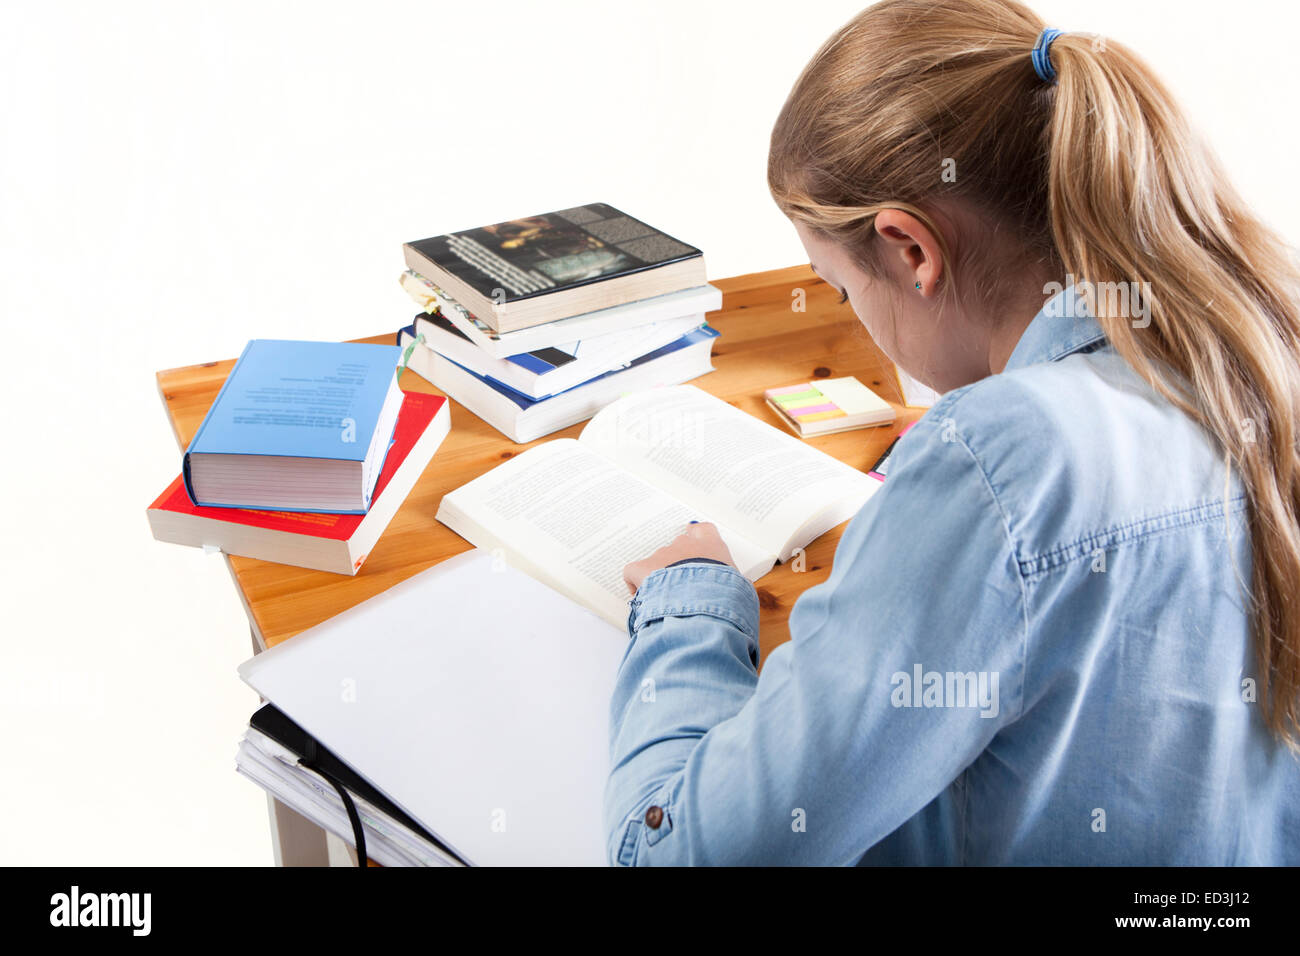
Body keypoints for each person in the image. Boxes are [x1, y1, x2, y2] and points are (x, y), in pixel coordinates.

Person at [606, 0, 1300, 865]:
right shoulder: (1260, 345)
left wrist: (691, 605)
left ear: (910, 250)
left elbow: (672, 856)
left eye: (837, 287)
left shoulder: (1002, 458)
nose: (851, 315)